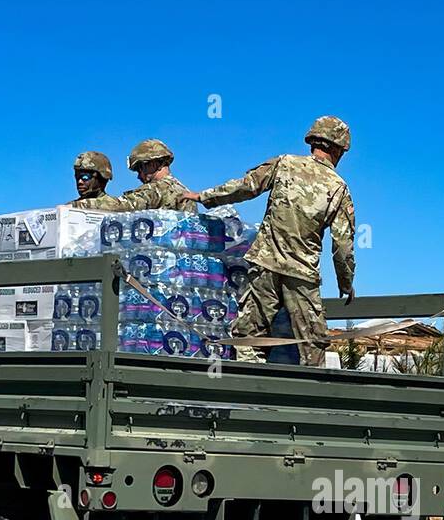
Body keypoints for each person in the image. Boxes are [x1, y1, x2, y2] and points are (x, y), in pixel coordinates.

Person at [179, 116, 356, 367]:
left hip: (265, 265)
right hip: (302, 275)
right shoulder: (339, 188)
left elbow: (245, 186)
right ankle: (310, 398)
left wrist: (205, 196)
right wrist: (346, 282)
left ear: (313, 142)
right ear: (339, 149)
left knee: (250, 337)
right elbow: (343, 244)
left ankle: (251, 392)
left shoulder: (284, 163)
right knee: (312, 342)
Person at [74, 140, 196, 213]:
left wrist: (75, 206)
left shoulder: (157, 190)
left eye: (140, 169)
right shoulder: (184, 190)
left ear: (155, 163)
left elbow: (121, 206)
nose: (139, 176)